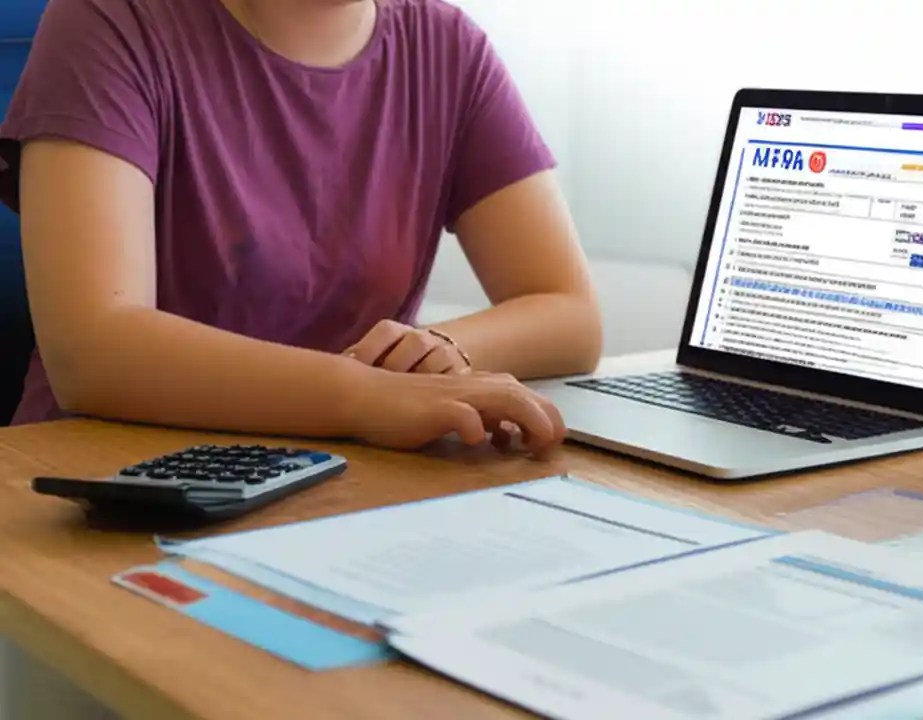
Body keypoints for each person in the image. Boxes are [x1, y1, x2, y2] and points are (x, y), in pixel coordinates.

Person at [0, 0, 603, 456]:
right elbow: (94, 354)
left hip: (336, 471)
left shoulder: (450, 49)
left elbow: (568, 312)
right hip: (100, 481)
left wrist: (436, 355)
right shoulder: (109, 19)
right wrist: (367, 397)